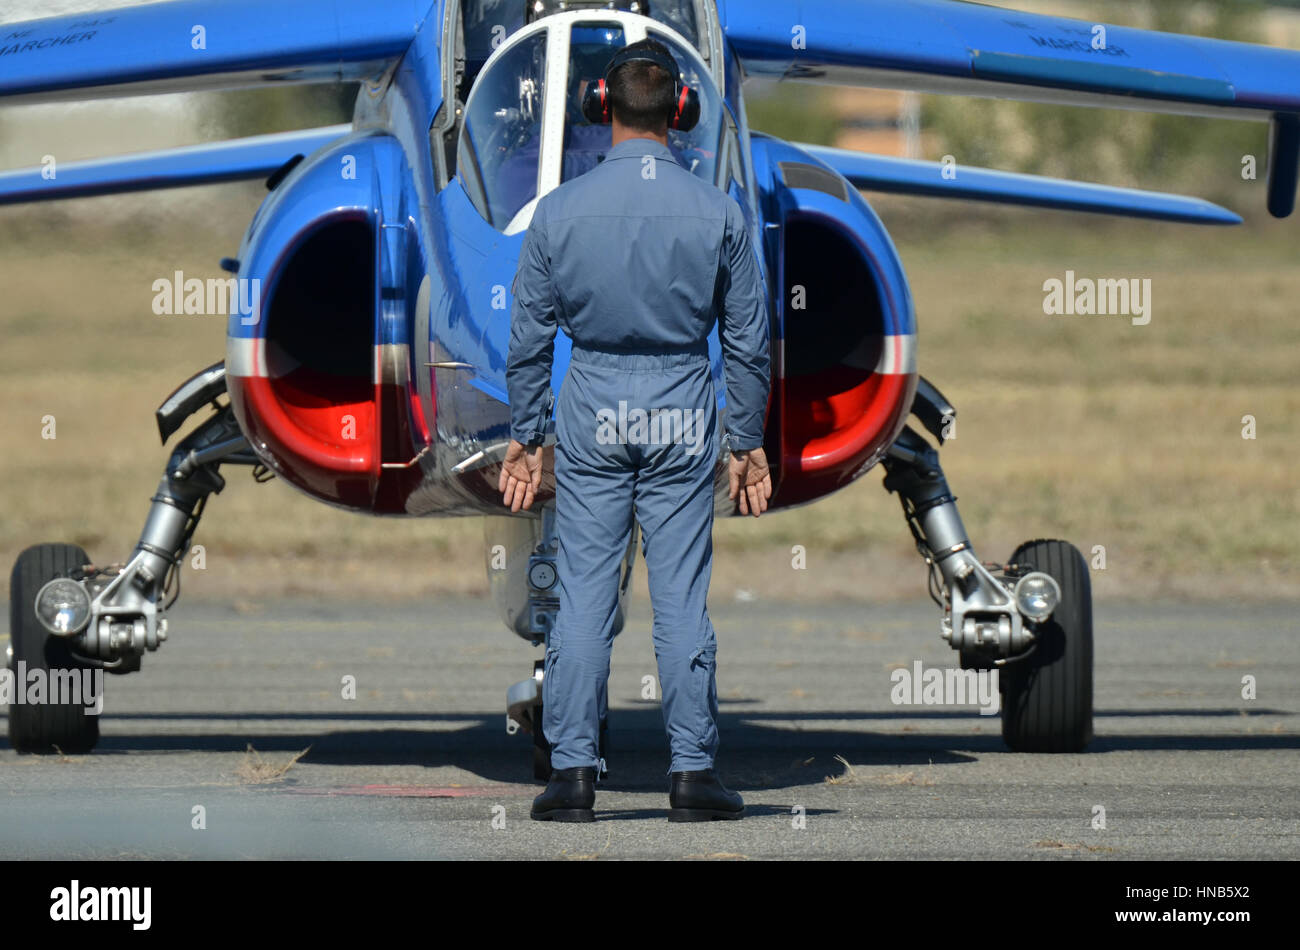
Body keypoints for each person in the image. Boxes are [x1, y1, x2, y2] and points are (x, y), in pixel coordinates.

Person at [499, 38, 771, 822]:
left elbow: (529, 338)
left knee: (583, 597)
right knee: (682, 596)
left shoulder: (557, 213)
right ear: (682, 111)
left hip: (593, 403)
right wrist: (745, 440)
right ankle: (691, 777)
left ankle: (574, 777)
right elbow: (749, 340)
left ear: (600, 108)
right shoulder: (719, 212)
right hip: (685, 401)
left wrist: (529, 431)